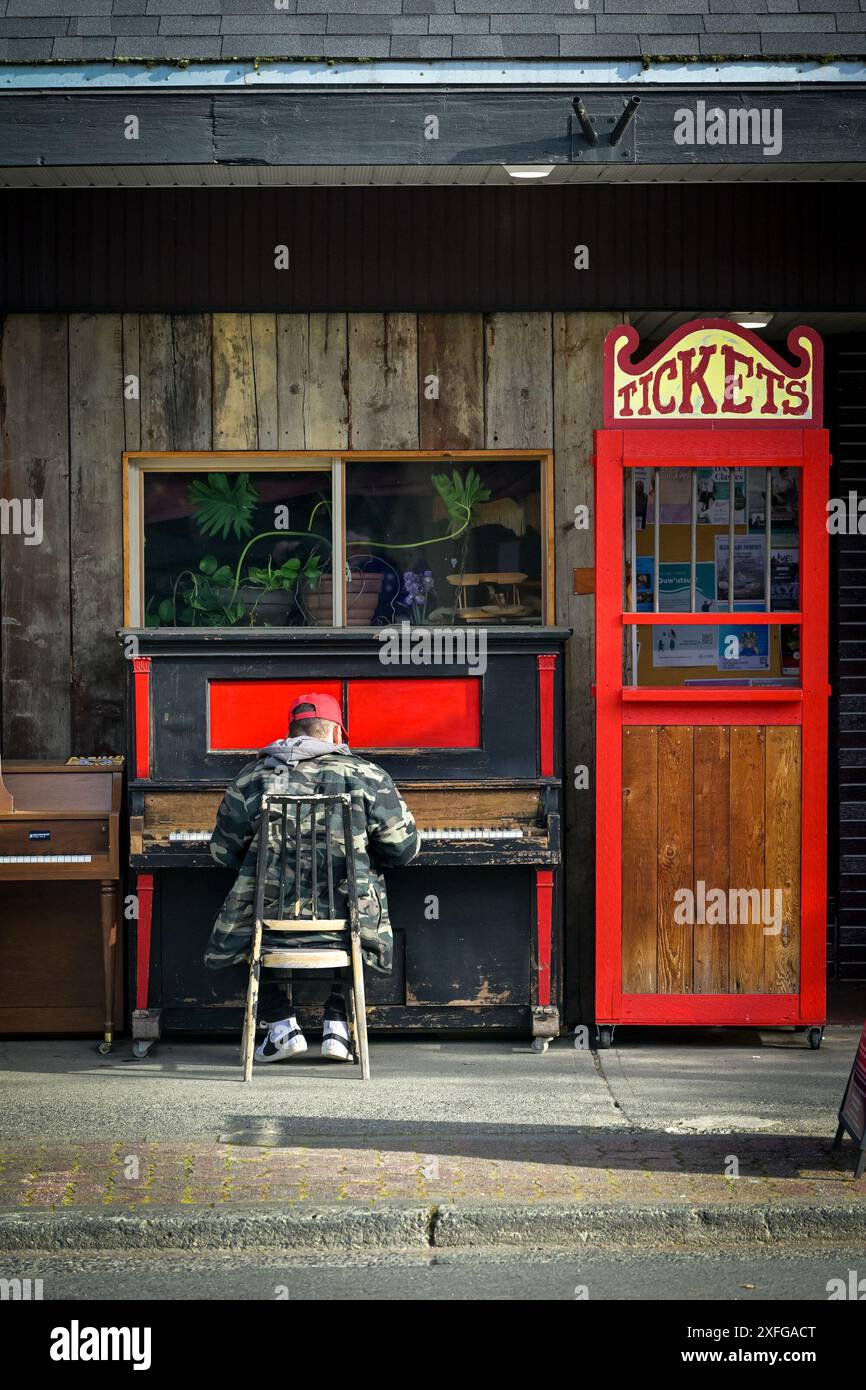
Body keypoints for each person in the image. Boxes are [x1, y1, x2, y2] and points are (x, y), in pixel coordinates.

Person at [203, 692, 419, 1063]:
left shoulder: (252, 777)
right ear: (337, 734)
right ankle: (337, 1025)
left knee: (241, 913)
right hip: (348, 921)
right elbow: (403, 849)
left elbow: (222, 852)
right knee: (369, 901)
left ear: (290, 733)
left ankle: (281, 1025)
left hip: (270, 920)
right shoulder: (367, 776)